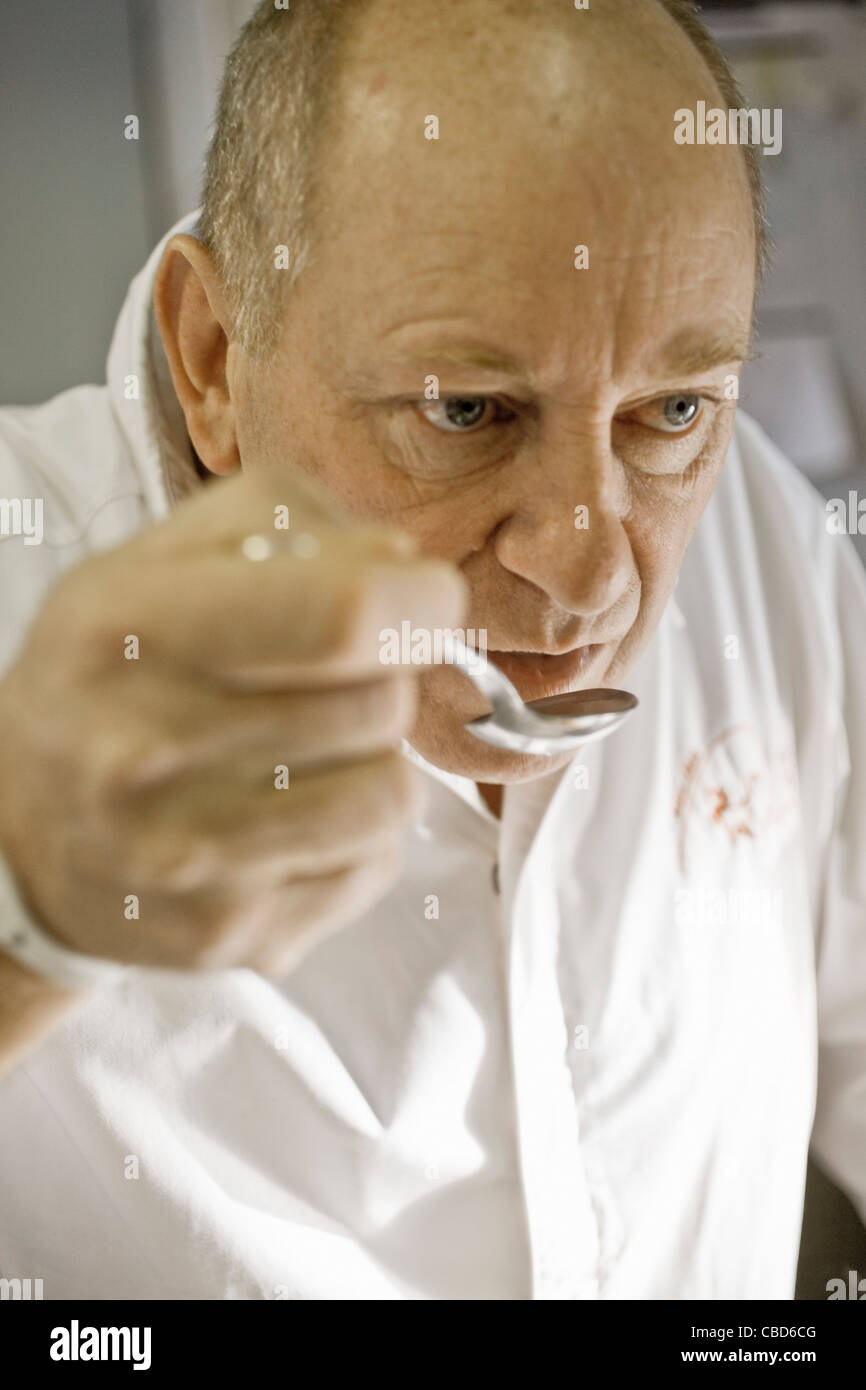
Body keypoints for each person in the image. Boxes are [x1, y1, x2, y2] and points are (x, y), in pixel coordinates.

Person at [0, 0, 863, 1299]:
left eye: (671, 408)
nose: (586, 573)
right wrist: (27, 920)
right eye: (466, 410)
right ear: (215, 357)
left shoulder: (759, 533)